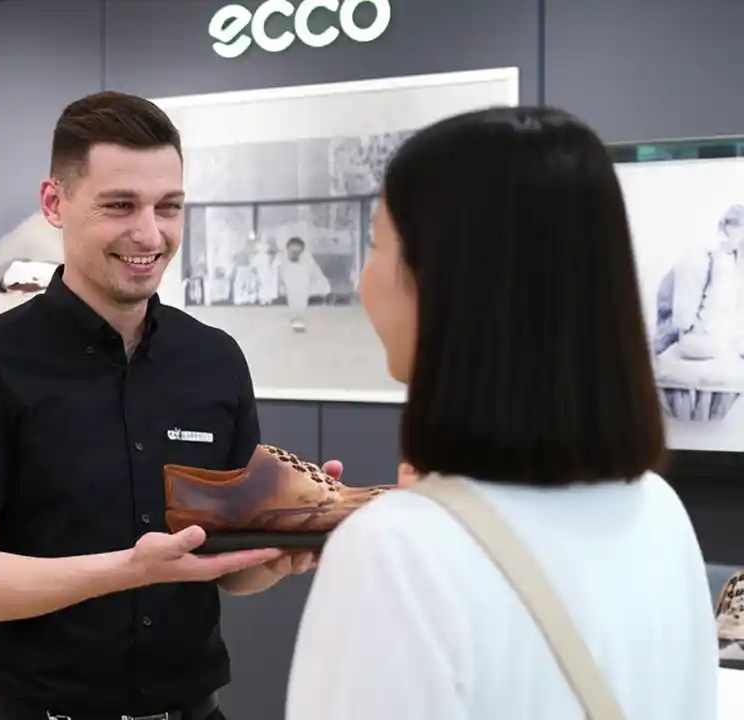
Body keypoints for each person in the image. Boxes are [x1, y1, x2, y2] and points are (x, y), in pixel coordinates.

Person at [0, 91, 337, 720]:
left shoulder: (215, 360)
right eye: (120, 205)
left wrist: (276, 553)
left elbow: (225, 570)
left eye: (169, 207)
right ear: (54, 203)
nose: (149, 233)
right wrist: (130, 569)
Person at [286, 106, 717, 719]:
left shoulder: (396, 552)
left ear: (446, 283)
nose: (364, 283)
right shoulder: (660, 512)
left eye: (378, 246)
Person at [653, 203, 744, 359]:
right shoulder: (700, 259)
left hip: (718, 340)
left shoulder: (731, 262)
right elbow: (683, 321)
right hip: (695, 341)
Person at [280, 236, 328, 331]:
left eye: (297, 252)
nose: (295, 254)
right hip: (281, 307)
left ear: (302, 252)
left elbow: (319, 280)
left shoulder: (308, 265)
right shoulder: (280, 263)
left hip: (305, 306)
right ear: (287, 249)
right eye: (292, 251)